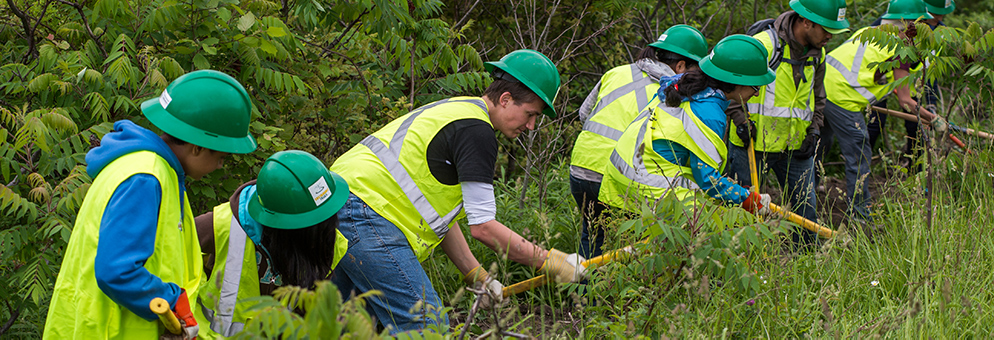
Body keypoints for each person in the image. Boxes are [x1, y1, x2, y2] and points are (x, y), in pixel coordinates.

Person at [329, 49, 586, 333]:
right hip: (366, 213)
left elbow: (438, 218)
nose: (531, 125)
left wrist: (477, 276)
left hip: (343, 205)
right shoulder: (477, 131)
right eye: (530, 114)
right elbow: (484, 229)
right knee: (427, 324)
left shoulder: (461, 112)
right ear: (505, 99)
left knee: (344, 326)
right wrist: (549, 260)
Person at [43, 70, 256, 339]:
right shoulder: (145, 178)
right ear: (198, 147)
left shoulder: (150, 170)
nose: (220, 166)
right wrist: (172, 301)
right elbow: (116, 271)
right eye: (222, 157)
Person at [600, 35, 776, 221]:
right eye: (756, 87)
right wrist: (747, 199)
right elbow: (708, 179)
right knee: (713, 231)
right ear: (737, 82)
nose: (756, 95)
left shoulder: (682, 87)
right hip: (648, 186)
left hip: (619, 177)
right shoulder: (709, 113)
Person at [570, 24, 709, 260]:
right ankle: (620, 296)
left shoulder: (616, 72)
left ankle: (583, 296)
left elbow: (584, 114)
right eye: (696, 69)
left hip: (581, 170)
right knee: (631, 251)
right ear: (682, 66)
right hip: (620, 176)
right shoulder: (674, 93)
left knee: (592, 238)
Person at [724, 0, 850, 246]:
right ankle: (738, 261)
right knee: (743, 210)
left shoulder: (818, 54)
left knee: (806, 210)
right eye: (826, 30)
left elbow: (818, 96)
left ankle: (805, 262)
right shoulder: (764, 46)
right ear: (806, 22)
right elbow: (728, 85)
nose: (829, 37)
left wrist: (814, 130)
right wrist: (740, 120)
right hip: (752, 143)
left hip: (796, 147)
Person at [191, 150, 349, 337]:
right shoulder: (221, 226)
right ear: (285, 226)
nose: (327, 228)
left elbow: (308, 317)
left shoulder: (328, 245)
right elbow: (171, 263)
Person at [821, 0, 949, 224]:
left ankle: (807, 190)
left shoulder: (871, 32)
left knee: (821, 142)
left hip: (820, 85)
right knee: (860, 152)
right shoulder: (901, 48)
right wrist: (934, 118)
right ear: (910, 26)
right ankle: (860, 214)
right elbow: (905, 101)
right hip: (840, 97)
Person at [865, 0, 955, 154]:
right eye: (936, 13)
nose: (939, 18)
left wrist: (930, 104)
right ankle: (862, 163)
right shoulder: (893, 20)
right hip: (879, 78)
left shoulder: (940, 32)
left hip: (911, 83)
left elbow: (928, 67)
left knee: (917, 127)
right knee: (876, 122)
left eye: (943, 14)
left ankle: (916, 171)